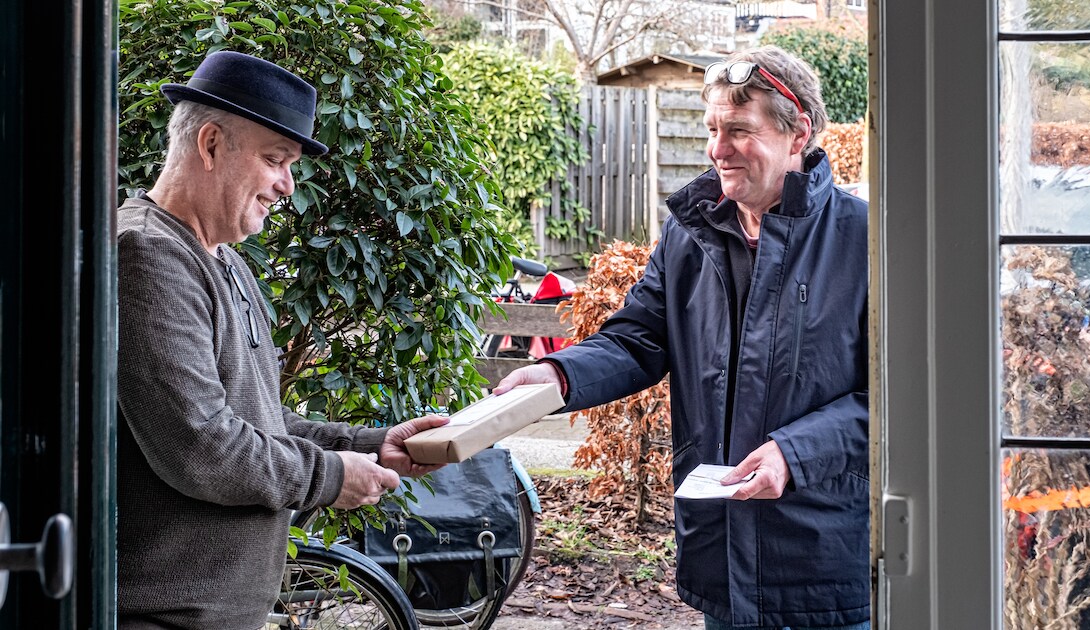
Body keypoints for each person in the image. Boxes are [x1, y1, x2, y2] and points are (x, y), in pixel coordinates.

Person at [495, 45, 869, 629]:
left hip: (823, 560)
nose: (718, 151)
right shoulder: (691, 236)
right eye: (713, 129)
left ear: (798, 137)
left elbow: (901, 400)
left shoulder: (864, 237)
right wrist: (558, 374)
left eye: (740, 131)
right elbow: (636, 341)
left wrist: (796, 455)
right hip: (719, 550)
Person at [116, 50, 449, 629]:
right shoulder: (148, 254)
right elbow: (202, 446)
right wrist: (331, 476)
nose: (287, 185)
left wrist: (372, 443)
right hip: (164, 615)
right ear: (212, 144)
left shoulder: (224, 261)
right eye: (276, 160)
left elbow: (257, 418)